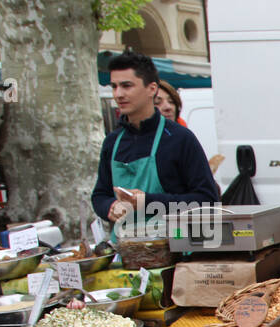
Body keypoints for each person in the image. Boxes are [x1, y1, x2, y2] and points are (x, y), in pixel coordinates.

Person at [91, 51, 218, 227]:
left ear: (152, 88)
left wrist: (147, 202)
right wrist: (109, 206)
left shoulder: (179, 138)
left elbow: (207, 200)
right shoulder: (112, 142)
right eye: (114, 86)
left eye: (127, 86)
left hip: (176, 247)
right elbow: (99, 195)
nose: (118, 94)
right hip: (127, 247)